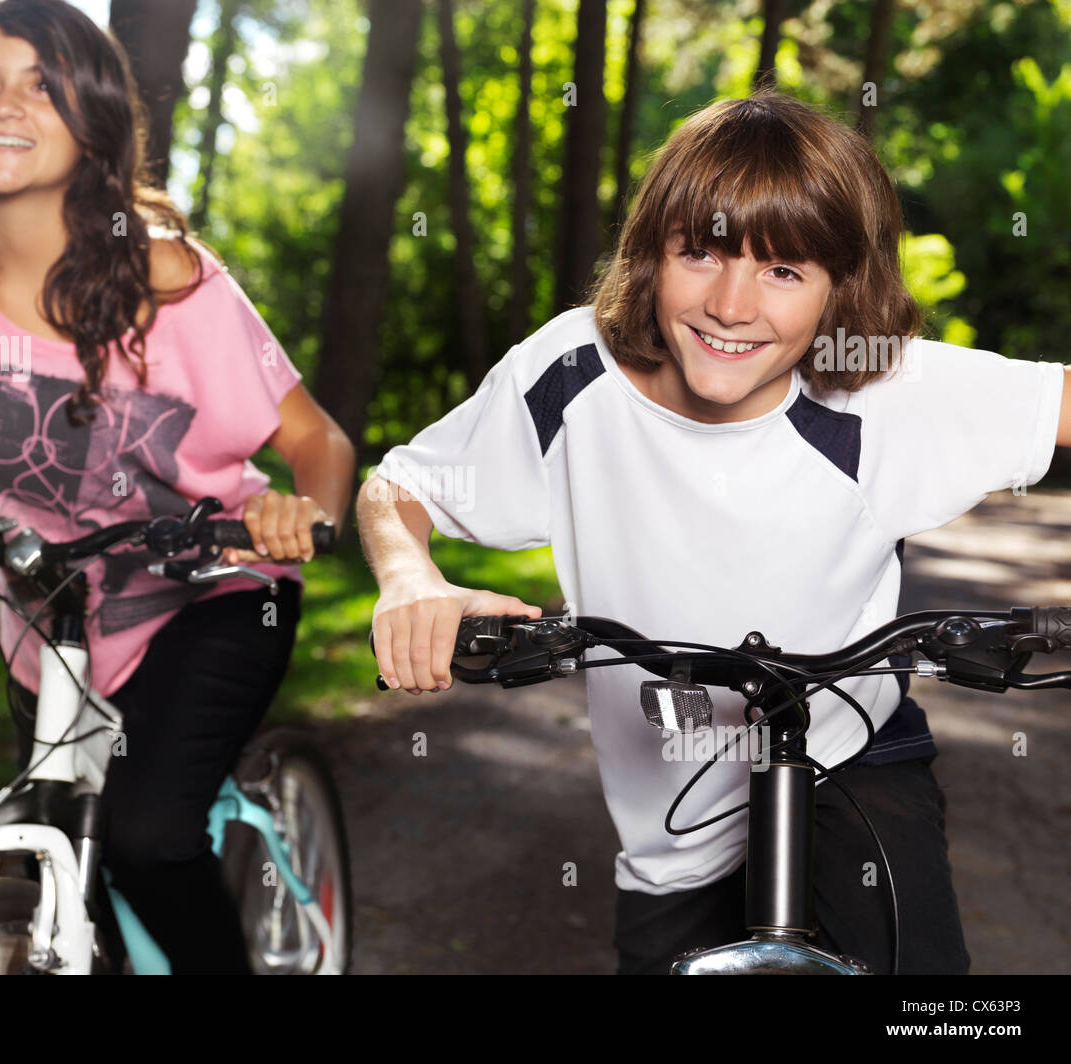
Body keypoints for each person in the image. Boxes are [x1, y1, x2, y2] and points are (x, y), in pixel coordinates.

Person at [358, 91, 1071, 974]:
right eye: (699, 253)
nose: (732, 305)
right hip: (670, 834)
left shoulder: (881, 391)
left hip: (849, 758)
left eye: (784, 271)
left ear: (837, 290)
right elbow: (398, 488)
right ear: (650, 250)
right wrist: (411, 580)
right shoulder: (572, 372)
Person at [0, 0, 355, 974]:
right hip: (46, 612)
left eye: (42, 83)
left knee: (146, 838)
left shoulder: (168, 282)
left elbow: (314, 437)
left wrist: (305, 509)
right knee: (51, 853)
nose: (5, 102)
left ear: (92, 120)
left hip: (210, 593)